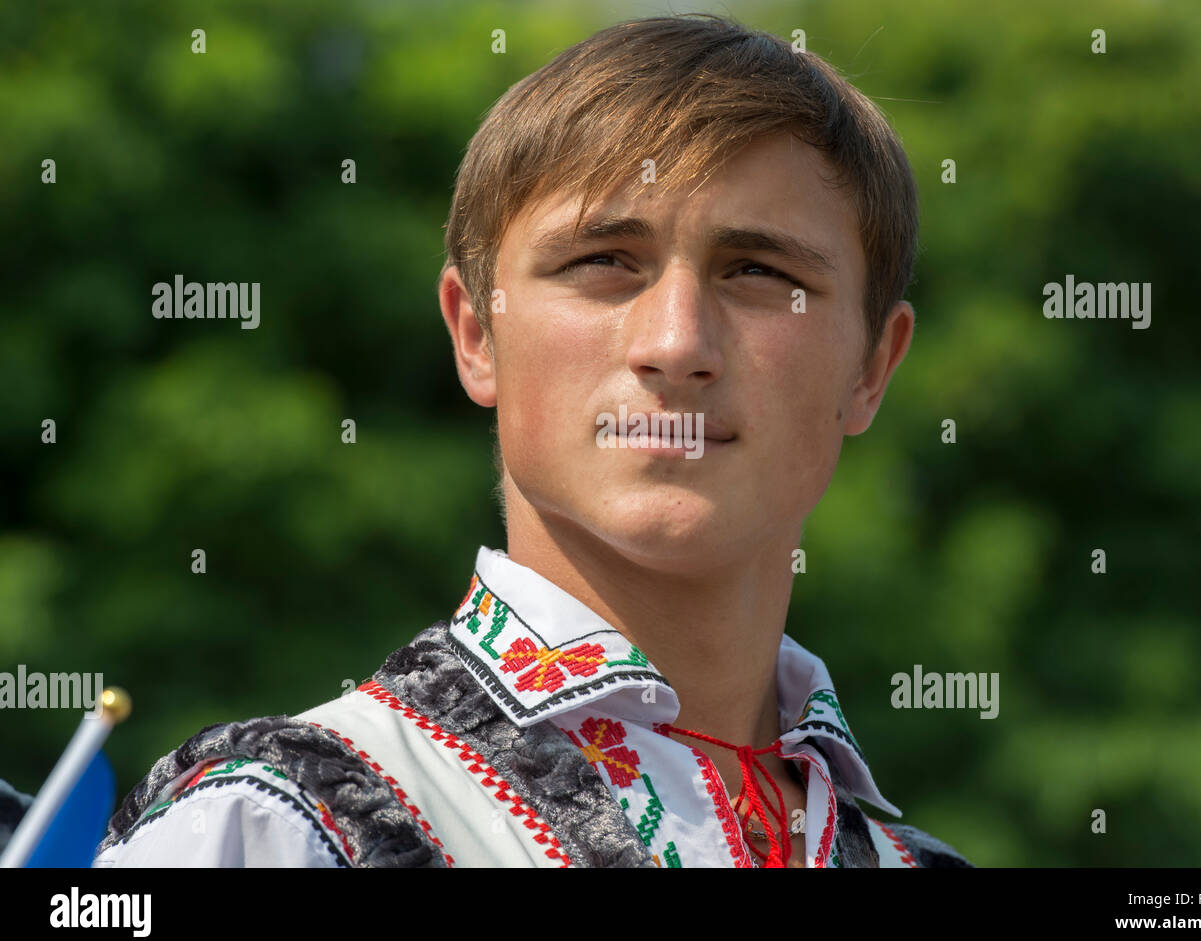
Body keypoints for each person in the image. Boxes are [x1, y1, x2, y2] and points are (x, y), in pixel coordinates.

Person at [92, 13, 970, 868]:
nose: (675, 344)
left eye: (759, 271)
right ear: (476, 333)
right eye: (603, 261)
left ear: (872, 367)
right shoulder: (271, 827)